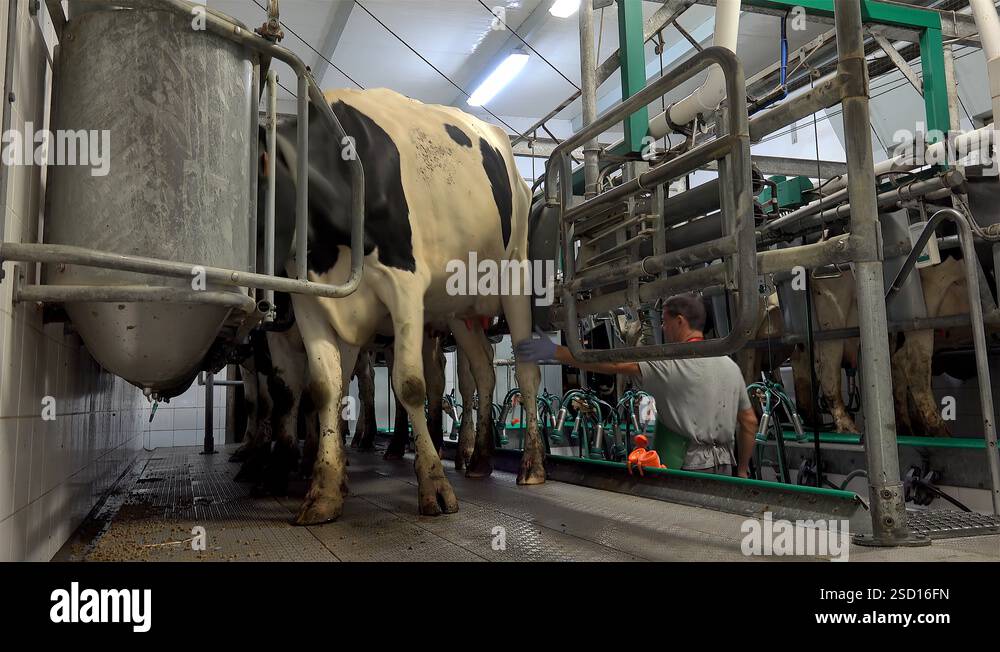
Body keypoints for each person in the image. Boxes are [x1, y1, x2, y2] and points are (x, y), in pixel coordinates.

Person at [514, 293, 758, 477]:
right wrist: (743, 469)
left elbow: (614, 364)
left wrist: (556, 351)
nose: (662, 327)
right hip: (726, 466)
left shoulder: (671, 363)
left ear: (680, 322)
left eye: (665, 321)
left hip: (685, 466)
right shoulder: (730, 366)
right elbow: (749, 422)